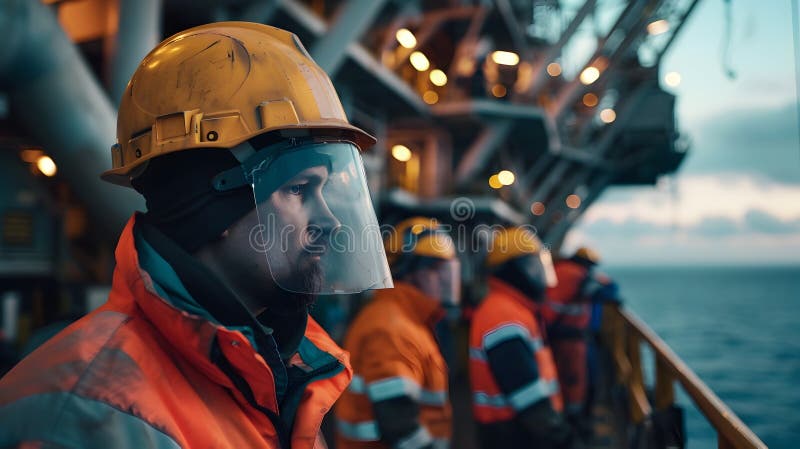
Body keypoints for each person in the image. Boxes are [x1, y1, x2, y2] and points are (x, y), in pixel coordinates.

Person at [0, 22, 394, 449]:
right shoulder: (89, 415)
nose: (330, 221)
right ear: (212, 208)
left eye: (324, 188)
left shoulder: (283, 373)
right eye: (298, 189)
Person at [335, 217, 460, 449]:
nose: (444, 279)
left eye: (447, 269)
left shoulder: (410, 320)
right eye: (435, 269)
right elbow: (400, 426)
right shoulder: (391, 328)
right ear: (408, 272)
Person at [469, 226, 574, 449]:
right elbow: (529, 400)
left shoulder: (513, 309)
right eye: (534, 266)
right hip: (515, 436)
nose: (541, 276)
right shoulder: (503, 316)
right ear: (513, 270)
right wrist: (564, 440)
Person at [542, 247, 620, 435]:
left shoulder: (558, 269)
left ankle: (561, 417)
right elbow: (608, 292)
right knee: (577, 381)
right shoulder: (578, 275)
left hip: (549, 333)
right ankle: (576, 424)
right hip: (571, 337)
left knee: (558, 379)